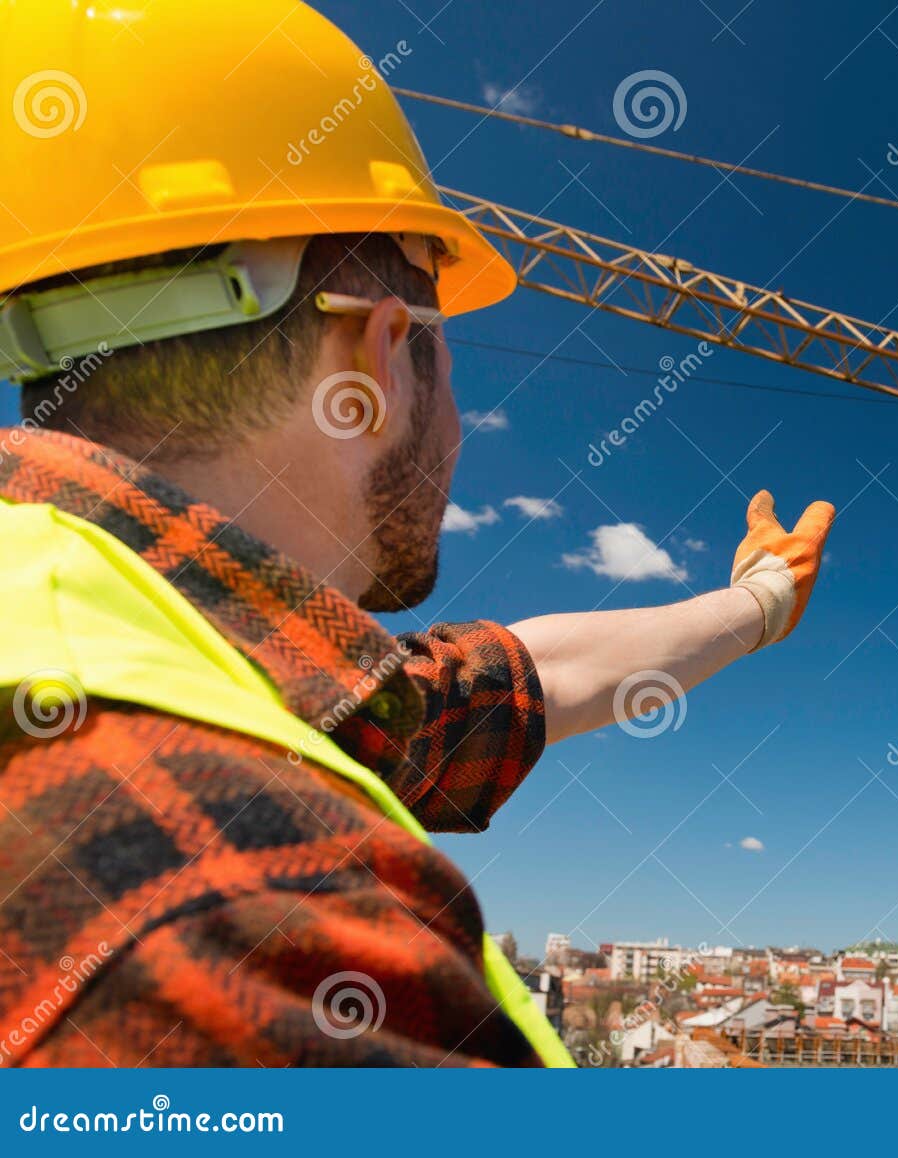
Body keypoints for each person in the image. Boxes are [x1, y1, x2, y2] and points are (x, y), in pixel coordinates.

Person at [0, 0, 833, 1067]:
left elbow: (470, 693)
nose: (454, 431)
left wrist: (754, 605)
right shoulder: (234, 894)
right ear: (378, 357)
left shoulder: (118, 621)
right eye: (452, 368)